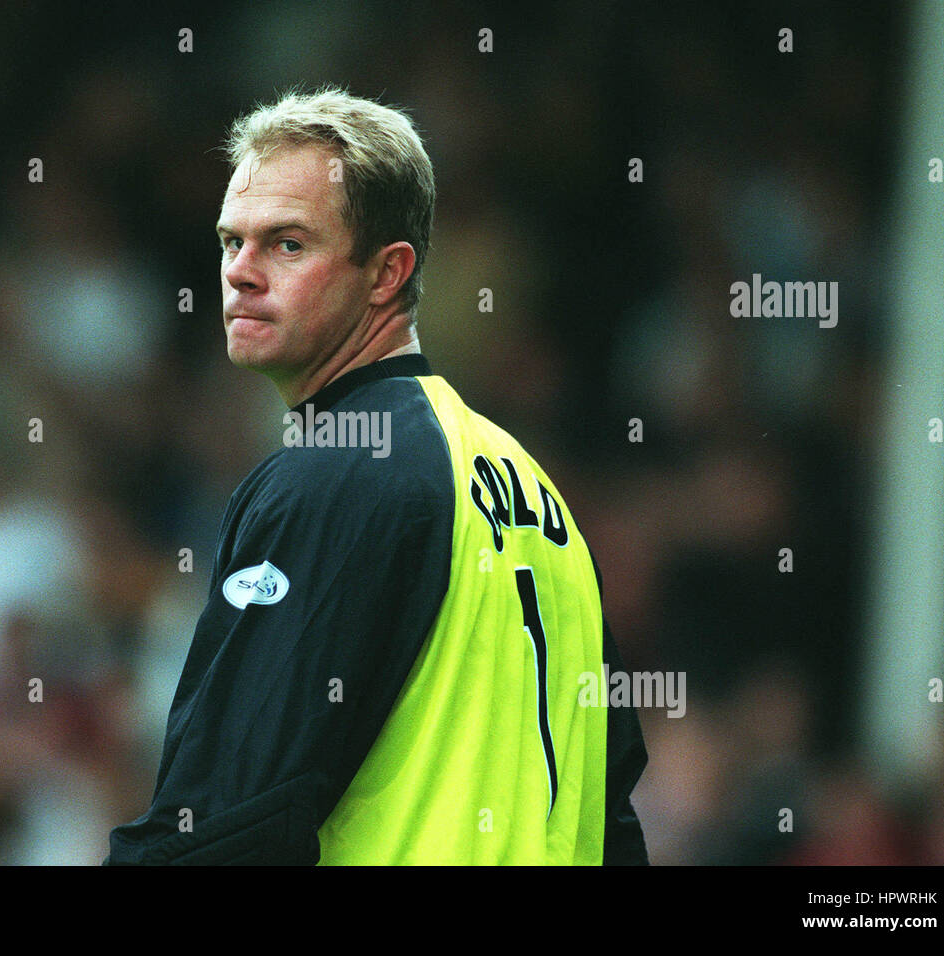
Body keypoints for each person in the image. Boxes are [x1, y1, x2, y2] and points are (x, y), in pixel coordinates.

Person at [104, 86, 648, 865]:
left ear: (389, 272)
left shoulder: (333, 473)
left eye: (288, 244)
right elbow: (612, 815)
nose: (242, 273)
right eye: (232, 243)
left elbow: (225, 819)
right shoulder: (536, 492)